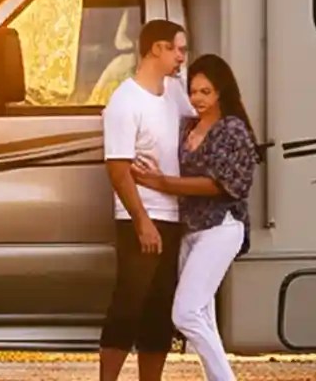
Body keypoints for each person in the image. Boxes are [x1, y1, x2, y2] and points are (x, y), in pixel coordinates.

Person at [131, 54, 259, 381]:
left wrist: (162, 183)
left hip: (221, 228)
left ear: (221, 93)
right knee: (203, 316)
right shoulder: (189, 126)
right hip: (191, 230)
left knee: (185, 313)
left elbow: (222, 184)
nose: (198, 98)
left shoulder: (232, 129)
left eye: (206, 91)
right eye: (194, 91)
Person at [98, 19, 196, 381]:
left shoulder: (174, 92)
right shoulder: (126, 100)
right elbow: (118, 168)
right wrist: (142, 221)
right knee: (128, 305)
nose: (183, 58)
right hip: (141, 219)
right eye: (179, 49)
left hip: (173, 216)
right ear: (158, 48)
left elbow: (203, 118)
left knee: (159, 310)